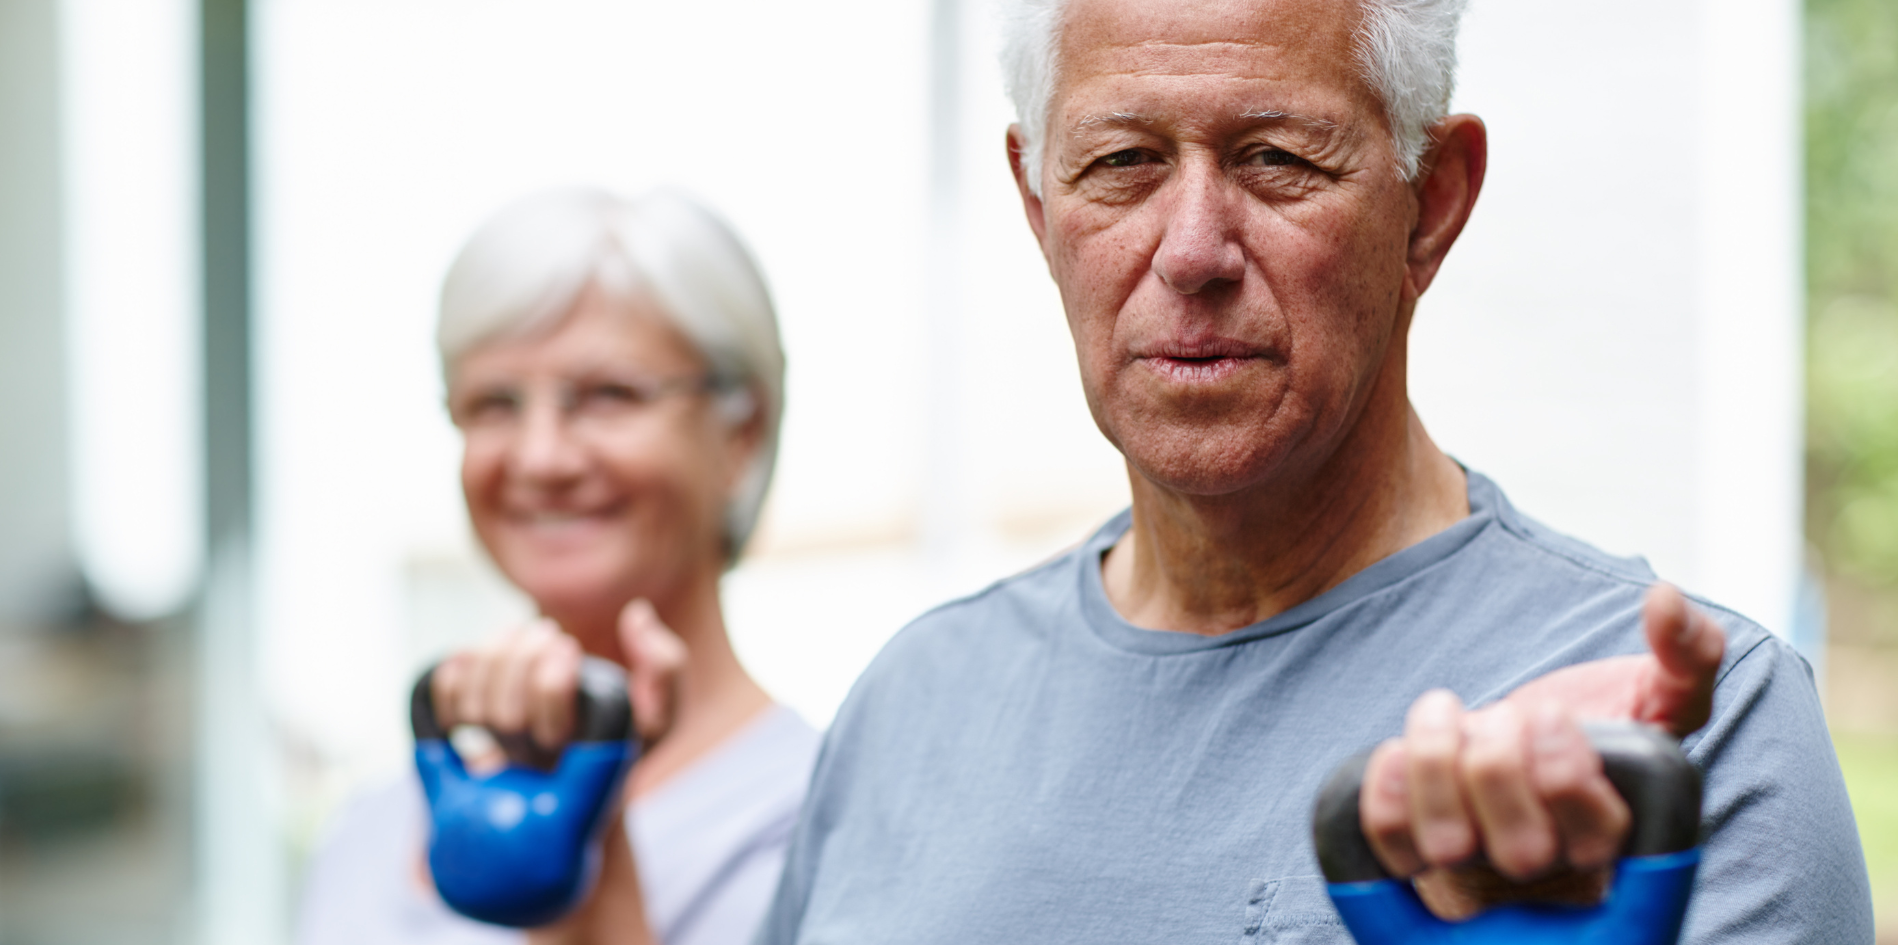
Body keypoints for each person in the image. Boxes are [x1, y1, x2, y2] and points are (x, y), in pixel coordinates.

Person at [754, 0, 1875, 942]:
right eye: (1121, 163)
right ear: (1037, 203)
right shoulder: (912, 706)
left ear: (1430, 205)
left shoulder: (1666, 744)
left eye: (1276, 159)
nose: (1191, 249)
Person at [294, 187, 819, 945]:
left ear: (741, 435)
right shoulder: (367, 831)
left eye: (608, 395)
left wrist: (584, 853)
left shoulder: (817, 820)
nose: (541, 458)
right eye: (494, 403)